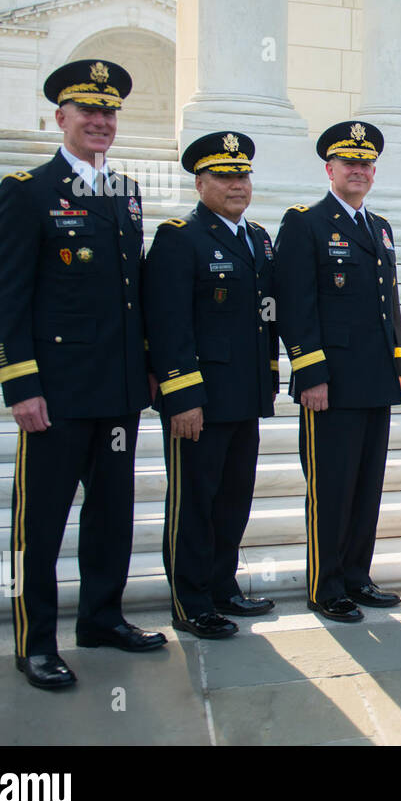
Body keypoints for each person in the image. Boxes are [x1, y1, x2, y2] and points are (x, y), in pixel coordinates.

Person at [0, 59, 166, 690]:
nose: (99, 121)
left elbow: (133, 294)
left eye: (109, 111)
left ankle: (102, 617)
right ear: (60, 117)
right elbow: (5, 297)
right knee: (41, 523)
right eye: (87, 110)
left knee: (112, 514)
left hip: (116, 393)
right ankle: (35, 642)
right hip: (56, 395)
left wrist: (145, 368)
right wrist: (21, 385)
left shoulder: (126, 192)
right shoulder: (27, 190)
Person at [143, 132, 279, 640]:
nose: (237, 185)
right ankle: (190, 599)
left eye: (242, 175)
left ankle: (222, 585)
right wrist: (181, 396)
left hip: (245, 394)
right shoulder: (179, 237)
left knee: (233, 498)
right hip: (198, 400)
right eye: (225, 176)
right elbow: (167, 322)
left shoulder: (259, 238)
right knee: (194, 501)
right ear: (201, 183)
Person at [274, 120, 401, 623]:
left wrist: (397, 364)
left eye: (366, 163)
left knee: (366, 484)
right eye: (349, 163)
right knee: (331, 486)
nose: (359, 171)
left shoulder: (380, 227)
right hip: (330, 382)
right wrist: (310, 373)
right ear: (330, 169)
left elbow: (386, 303)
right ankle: (325, 585)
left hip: (374, 379)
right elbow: (295, 303)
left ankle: (357, 575)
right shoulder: (305, 222)